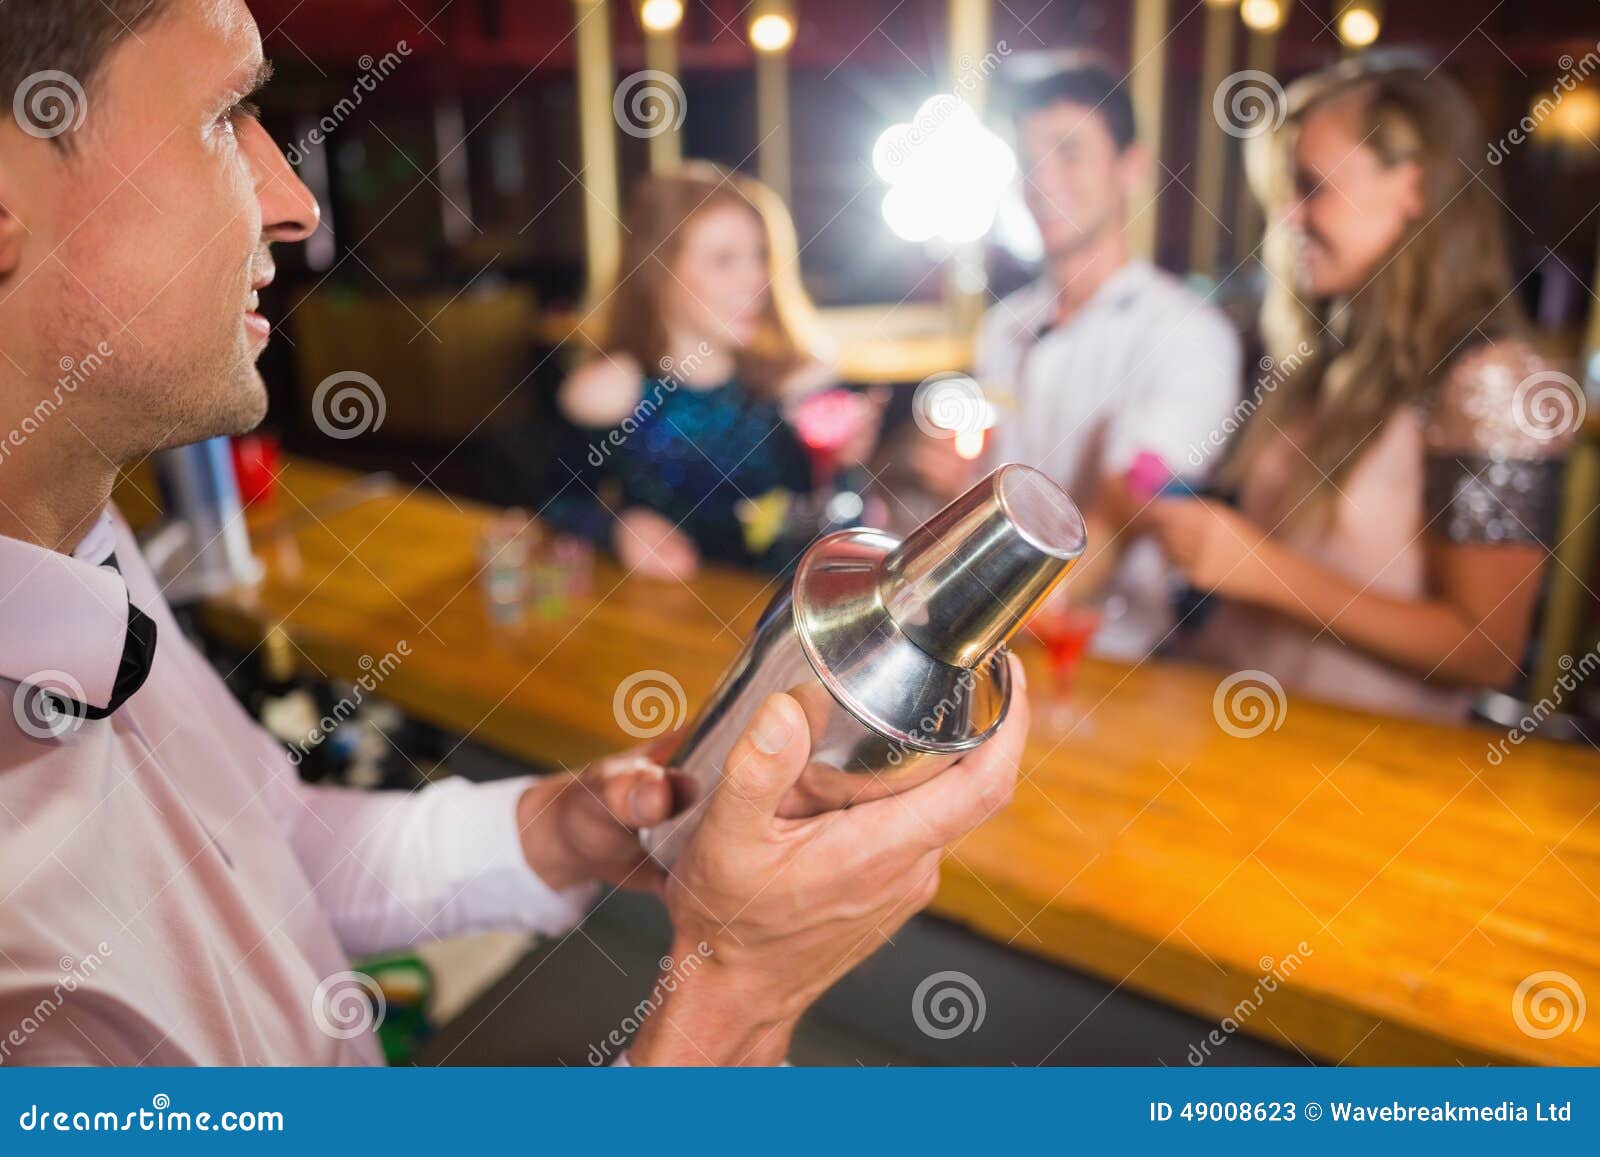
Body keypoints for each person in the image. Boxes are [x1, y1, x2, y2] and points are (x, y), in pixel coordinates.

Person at [0, 0, 1025, 1066]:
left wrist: (554, 827)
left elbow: (272, 835)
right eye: (225, 117)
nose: (297, 201)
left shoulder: (84, 539)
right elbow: (550, 489)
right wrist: (737, 1001)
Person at [1142, 55, 1576, 720]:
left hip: (1354, 791)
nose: (1288, 219)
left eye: (1313, 187)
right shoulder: (1323, 360)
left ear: (1413, 188)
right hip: (1224, 746)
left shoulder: (1493, 381)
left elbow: (1487, 648)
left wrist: (1260, 570)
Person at [912, 55, 1243, 658]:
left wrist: (1001, 627)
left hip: (1115, 656)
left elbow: (1126, 507)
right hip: (991, 645)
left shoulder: (1190, 333)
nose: (1044, 179)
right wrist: (944, 483)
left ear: (1131, 167)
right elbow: (982, 485)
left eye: (1068, 153)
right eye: (1028, 160)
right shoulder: (1003, 325)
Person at [547, 164, 881, 580]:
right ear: (659, 270)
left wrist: (843, 467)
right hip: (668, 619)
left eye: (759, 256)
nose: (756, 278)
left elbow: (846, 530)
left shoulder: (799, 381)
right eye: (724, 261)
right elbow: (552, 504)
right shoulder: (611, 392)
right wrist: (619, 529)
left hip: (784, 615)